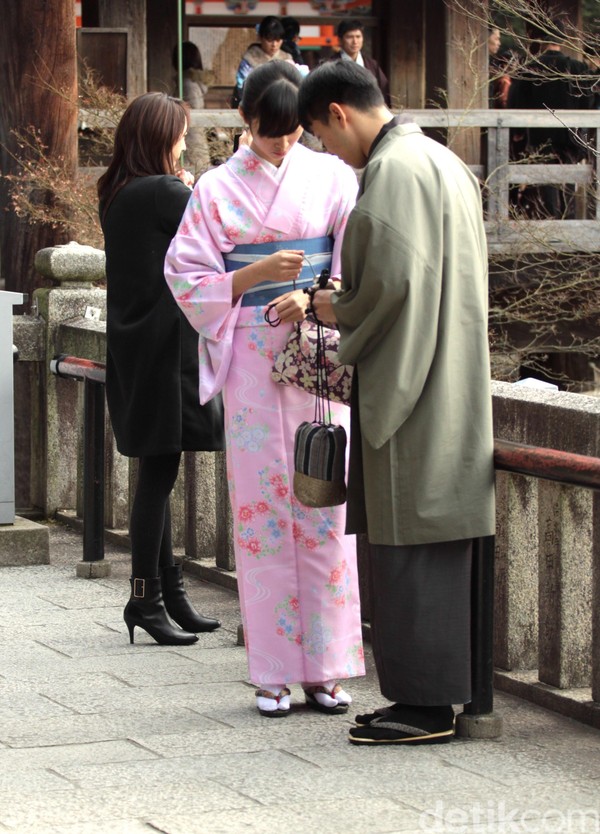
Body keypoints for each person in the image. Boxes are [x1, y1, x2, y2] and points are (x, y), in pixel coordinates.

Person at [298, 61, 496, 745]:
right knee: (437, 538)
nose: (331, 152)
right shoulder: (440, 159)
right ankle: (434, 697)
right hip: (453, 373)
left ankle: (423, 706)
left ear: (337, 113)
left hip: (413, 385)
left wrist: (333, 306)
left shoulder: (390, 174)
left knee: (409, 540)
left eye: (324, 137)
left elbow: (386, 288)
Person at [165, 61, 365, 718]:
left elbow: (357, 262)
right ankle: (273, 673)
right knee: (262, 516)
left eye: (292, 131)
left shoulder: (333, 177)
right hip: (251, 354)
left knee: (326, 503)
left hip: (315, 350)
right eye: (269, 131)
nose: (281, 144)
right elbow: (185, 274)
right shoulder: (216, 188)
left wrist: (316, 294)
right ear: (244, 118)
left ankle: (328, 668)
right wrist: (252, 276)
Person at [97, 92, 225, 647]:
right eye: (180, 133)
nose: (183, 142)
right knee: (159, 473)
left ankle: (168, 593)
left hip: (133, 344)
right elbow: (220, 234)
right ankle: (145, 598)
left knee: (158, 463)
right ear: (160, 137)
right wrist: (191, 188)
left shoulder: (118, 190)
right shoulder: (164, 192)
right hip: (163, 347)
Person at [508, 20, 593, 216]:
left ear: (541, 39)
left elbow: (517, 101)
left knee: (546, 179)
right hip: (570, 134)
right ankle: (569, 218)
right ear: (562, 40)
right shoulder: (578, 68)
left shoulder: (530, 68)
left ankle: (550, 218)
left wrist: (519, 131)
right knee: (568, 178)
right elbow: (587, 101)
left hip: (540, 135)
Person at [231, 16, 294, 107]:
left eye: (278, 40)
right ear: (260, 37)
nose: (274, 44)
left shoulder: (287, 59)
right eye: (270, 39)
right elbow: (242, 86)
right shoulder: (250, 59)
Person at [327, 18, 390, 106]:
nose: (355, 42)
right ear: (340, 40)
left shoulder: (372, 65)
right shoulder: (330, 66)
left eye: (358, 36)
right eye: (349, 37)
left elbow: (383, 90)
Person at [172, 41, 213, 177]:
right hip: (192, 140)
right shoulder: (188, 83)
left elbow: (191, 117)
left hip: (190, 141)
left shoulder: (188, 85)